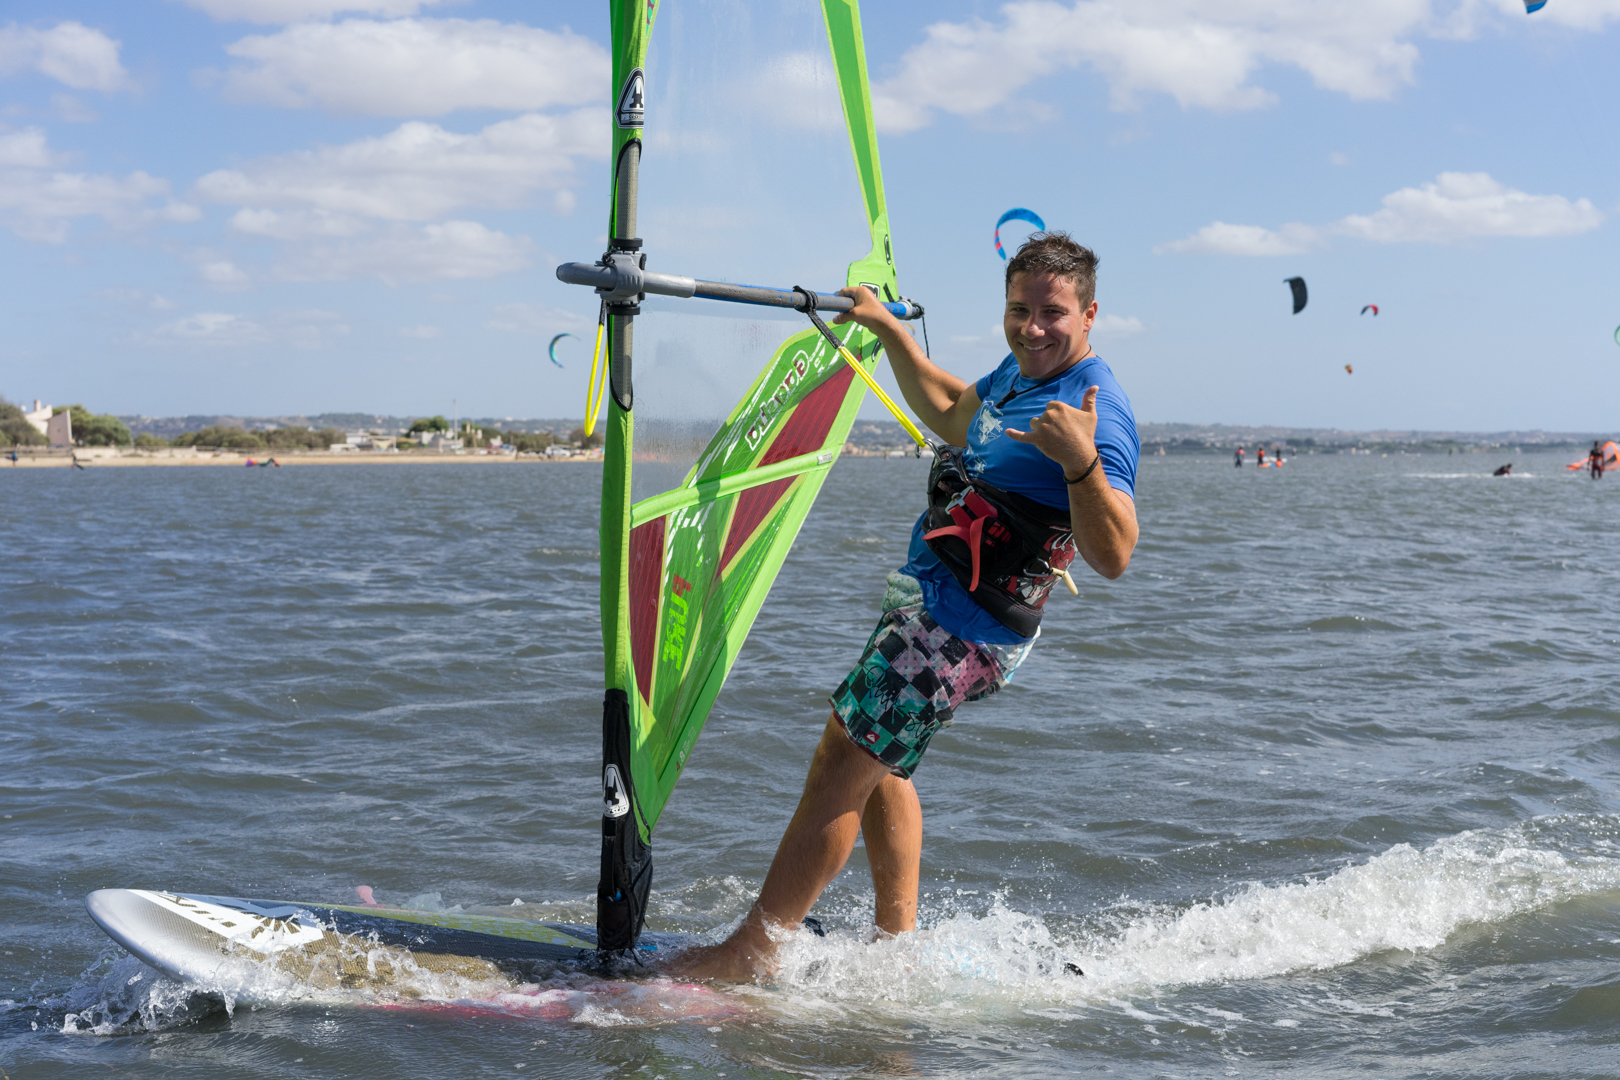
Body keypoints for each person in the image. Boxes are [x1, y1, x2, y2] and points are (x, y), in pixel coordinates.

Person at [672, 232, 1139, 981]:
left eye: (1052, 313)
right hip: (930, 599)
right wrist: (890, 331)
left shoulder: (1093, 407)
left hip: (966, 628)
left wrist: (1080, 462)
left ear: (1089, 314)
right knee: (882, 761)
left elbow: (1115, 554)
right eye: (1018, 310)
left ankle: (748, 956)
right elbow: (954, 410)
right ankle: (898, 947)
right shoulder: (1019, 375)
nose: (1032, 328)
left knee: (841, 763)